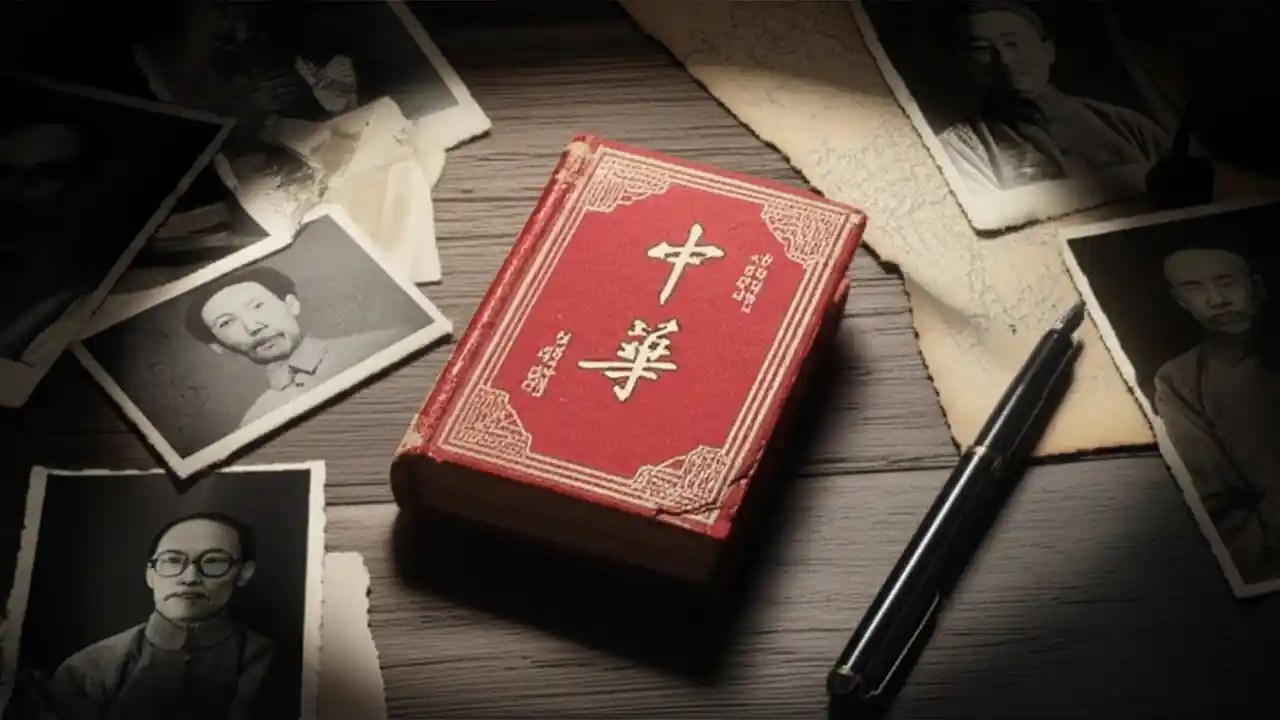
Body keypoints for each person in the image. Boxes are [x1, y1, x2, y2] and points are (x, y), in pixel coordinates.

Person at [36, 513, 277, 719]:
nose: (190, 577)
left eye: (213, 561)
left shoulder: (263, 657)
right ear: (150, 575)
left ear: (244, 573)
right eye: (172, 560)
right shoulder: (88, 668)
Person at [936, 0, 1170, 191]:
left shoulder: (1125, 124)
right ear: (964, 67)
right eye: (982, 50)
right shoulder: (960, 148)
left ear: (1048, 51)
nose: (1005, 61)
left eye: (1013, 43)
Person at [1153, 245, 1280, 584]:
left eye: (1227, 282)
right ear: (1180, 301)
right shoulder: (1180, 379)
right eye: (1194, 289)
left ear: (1257, 286)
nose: (1216, 300)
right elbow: (1216, 501)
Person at [184, 266, 406, 428]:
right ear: (218, 346)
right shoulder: (256, 419)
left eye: (258, 306)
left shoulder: (385, 346)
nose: (253, 327)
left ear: (292, 305)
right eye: (226, 323)